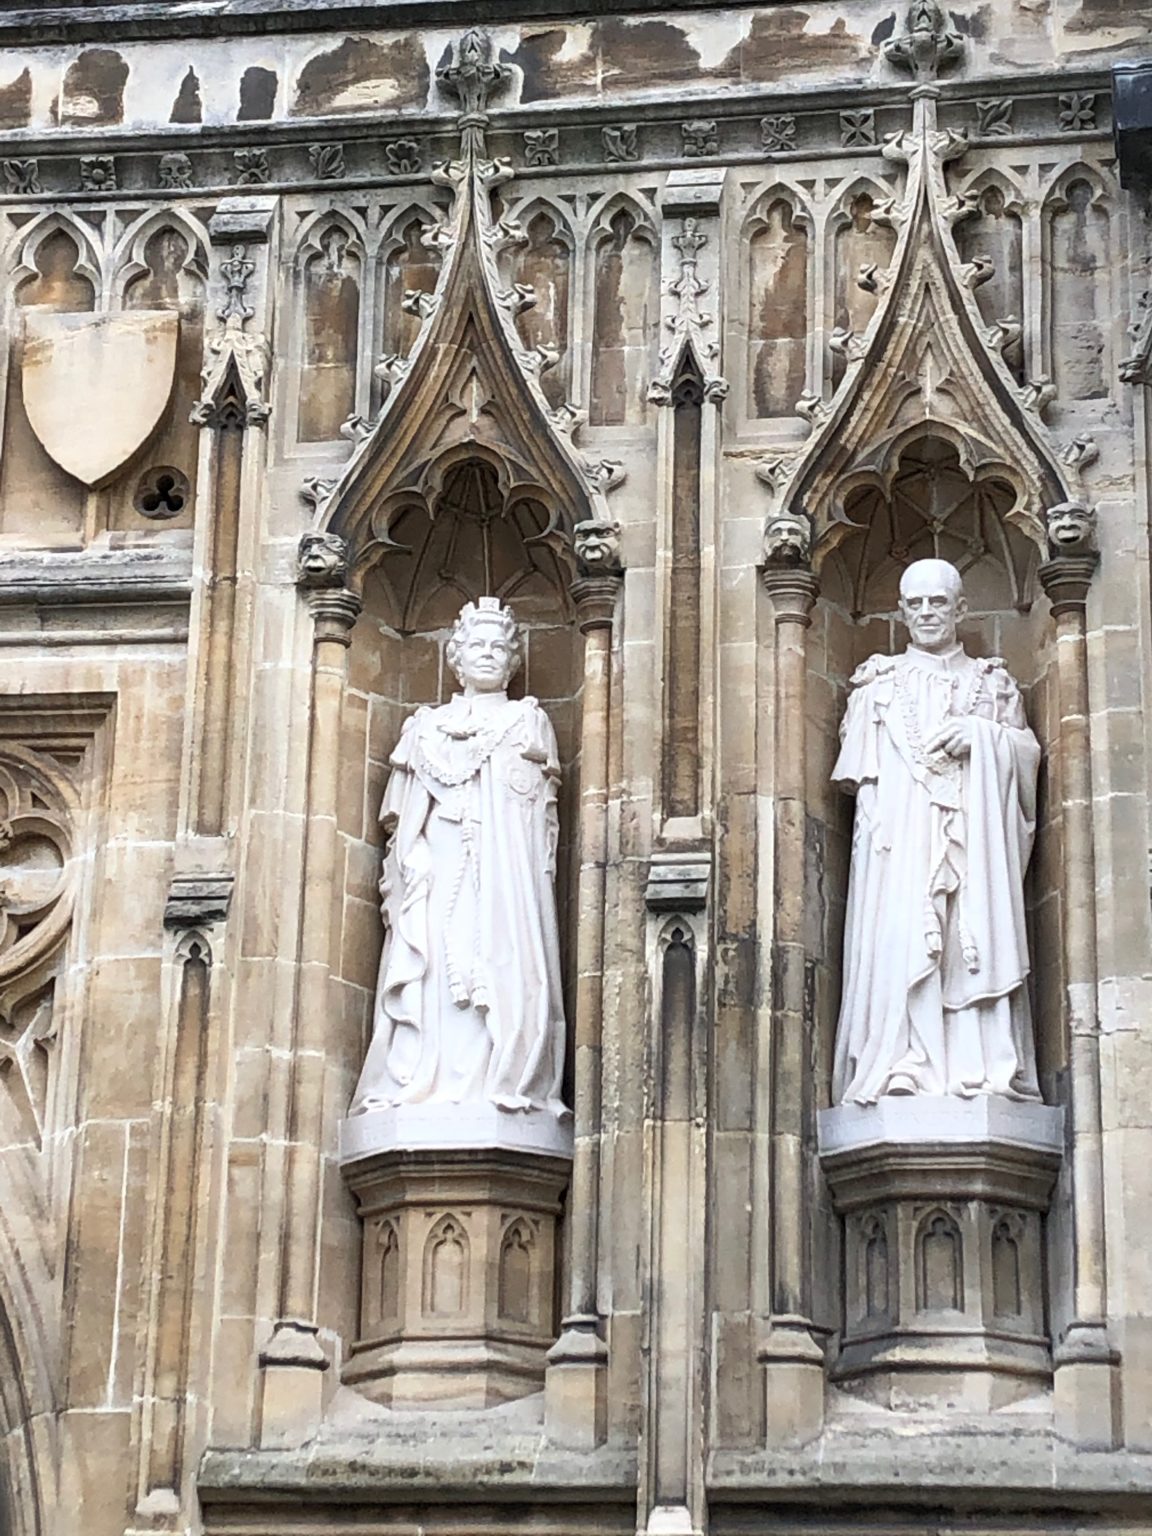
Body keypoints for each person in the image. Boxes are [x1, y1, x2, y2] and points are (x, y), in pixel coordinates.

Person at [831, 559, 1042, 1105]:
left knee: (970, 937)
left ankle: (976, 1065)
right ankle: (903, 1059)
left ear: (961, 609)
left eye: (938, 602)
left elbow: (1026, 758)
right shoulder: (876, 688)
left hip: (976, 847)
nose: (927, 612)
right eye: (916, 604)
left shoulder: (993, 686)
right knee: (902, 942)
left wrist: (982, 738)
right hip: (900, 848)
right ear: (900, 612)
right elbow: (866, 795)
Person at [350, 597, 568, 1118]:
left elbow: (535, 816)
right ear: (456, 657)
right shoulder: (425, 728)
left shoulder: (526, 722)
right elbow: (406, 816)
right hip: (440, 868)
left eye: (499, 647)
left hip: (502, 874)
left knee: (500, 965)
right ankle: (423, 1083)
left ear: (514, 661)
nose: (488, 655)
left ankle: (503, 1078)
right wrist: (413, 861)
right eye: (476, 645)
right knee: (436, 975)